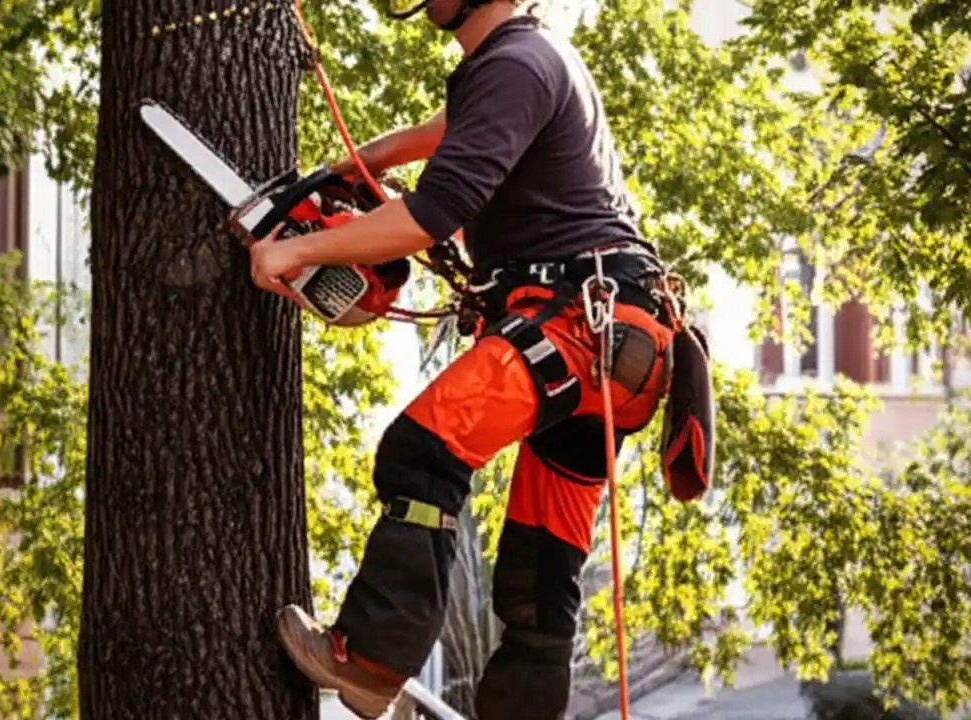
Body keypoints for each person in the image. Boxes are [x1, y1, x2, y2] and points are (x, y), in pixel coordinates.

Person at [248, 0, 702, 717]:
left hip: (575, 332)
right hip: (619, 356)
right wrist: (339, 172)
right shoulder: (518, 64)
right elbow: (432, 138)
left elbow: (435, 211)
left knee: (423, 452)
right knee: (539, 572)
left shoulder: (517, 64)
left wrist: (295, 249)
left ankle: (367, 661)